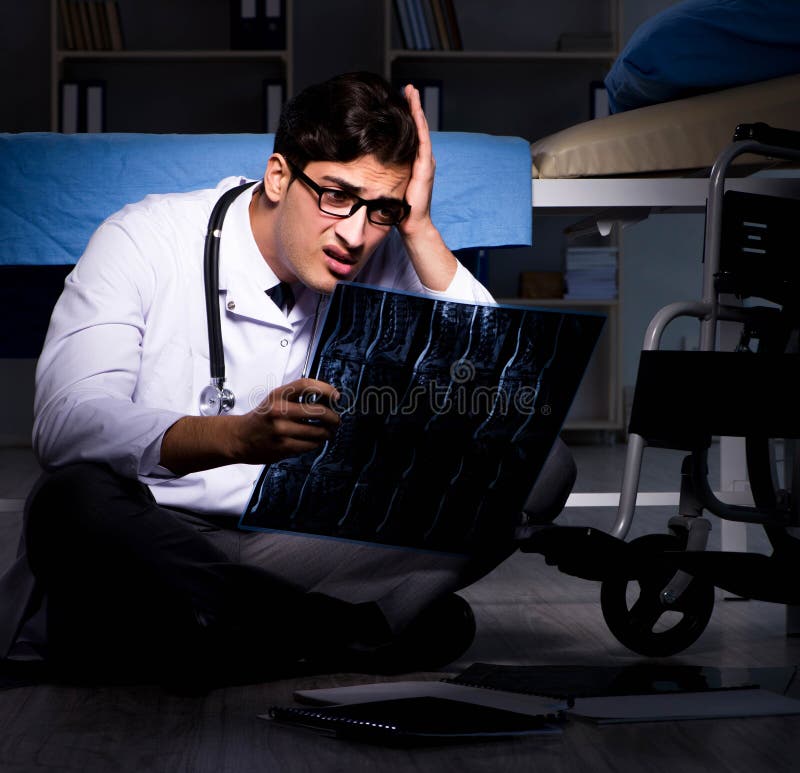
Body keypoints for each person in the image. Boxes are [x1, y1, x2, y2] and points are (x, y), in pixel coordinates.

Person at [0, 72, 576, 688]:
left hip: (297, 545)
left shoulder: (387, 248)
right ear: (278, 176)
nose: (354, 234)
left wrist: (420, 231)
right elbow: (68, 423)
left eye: (382, 209)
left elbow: (514, 398)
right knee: (69, 503)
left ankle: (235, 638)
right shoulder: (144, 238)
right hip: (155, 537)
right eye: (336, 195)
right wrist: (235, 438)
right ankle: (336, 633)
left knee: (539, 462)